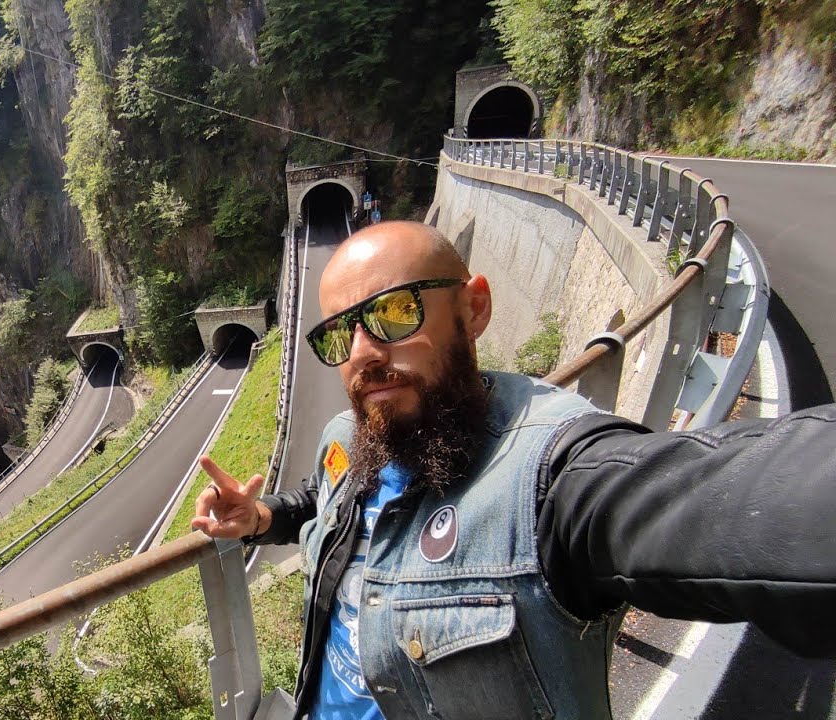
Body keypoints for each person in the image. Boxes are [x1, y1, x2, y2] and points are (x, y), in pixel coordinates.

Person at [190, 220, 836, 719]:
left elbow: (713, 498)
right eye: (342, 333)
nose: (363, 352)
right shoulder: (348, 438)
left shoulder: (554, 474)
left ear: (472, 308)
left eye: (393, 313)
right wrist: (265, 516)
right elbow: (329, 498)